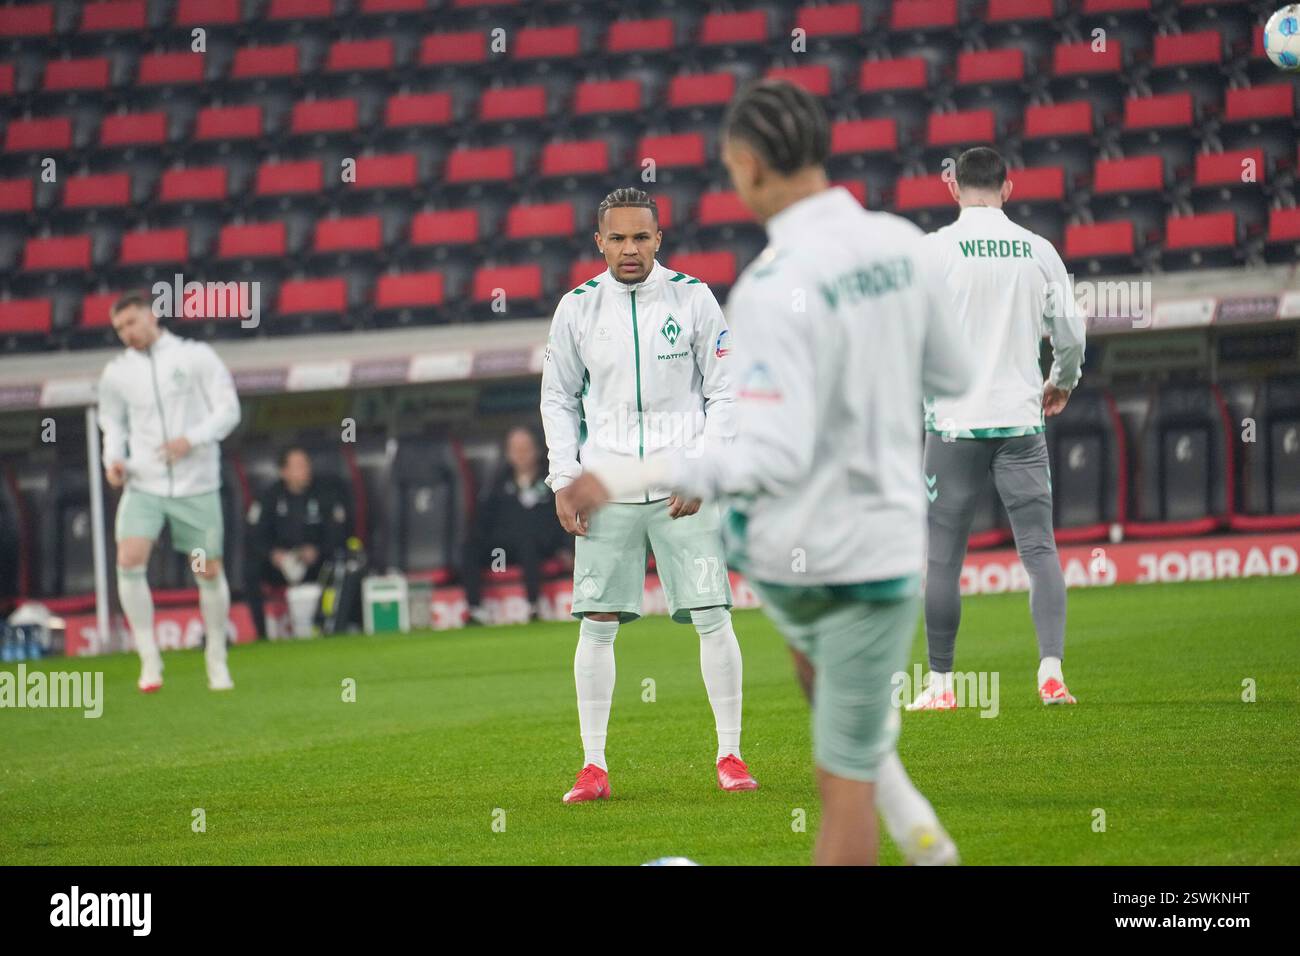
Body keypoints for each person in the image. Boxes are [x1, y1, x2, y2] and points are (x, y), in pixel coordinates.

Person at [565, 80, 974, 864]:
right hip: (889, 543)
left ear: (746, 164)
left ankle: (928, 849)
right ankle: (932, 849)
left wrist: (622, 474)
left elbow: (771, 451)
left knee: (843, 788)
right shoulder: (900, 245)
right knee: (850, 737)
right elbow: (953, 381)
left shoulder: (770, 286)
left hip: (819, 555)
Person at [540, 185, 759, 804]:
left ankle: (731, 753)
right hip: (606, 486)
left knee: (713, 615)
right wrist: (563, 479)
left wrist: (705, 468)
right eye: (618, 237)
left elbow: (725, 391)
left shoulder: (693, 298)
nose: (630, 248)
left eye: (641, 236)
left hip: (680, 488)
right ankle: (592, 766)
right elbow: (556, 398)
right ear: (599, 242)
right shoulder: (576, 308)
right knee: (597, 623)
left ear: (659, 238)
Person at [906, 146, 1087, 711]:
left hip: (953, 426)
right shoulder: (1038, 250)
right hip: (1020, 421)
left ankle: (941, 687)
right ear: (1008, 189)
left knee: (942, 560)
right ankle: (1051, 673)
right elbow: (1072, 335)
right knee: (1039, 548)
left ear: (953, 189)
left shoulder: (931, 251)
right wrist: (1061, 381)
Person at [97, 290, 241, 692]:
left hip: (195, 486)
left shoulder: (195, 357)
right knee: (129, 558)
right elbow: (113, 424)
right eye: (119, 328)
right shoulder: (116, 374)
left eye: (131, 323)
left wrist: (191, 439)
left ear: (150, 316)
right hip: (145, 483)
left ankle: (216, 658)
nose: (126, 333)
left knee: (206, 570)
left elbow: (228, 410)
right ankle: (149, 659)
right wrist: (114, 461)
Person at [462, 426, 569, 625]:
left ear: (537, 450)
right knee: (471, 547)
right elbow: (484, 519)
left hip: (541, 546)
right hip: (502, 553)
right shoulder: (499, 482)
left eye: (525, 449)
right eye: (515, 450)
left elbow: (563, 516)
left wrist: (565, 547)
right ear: (508, 454)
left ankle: (533, 605)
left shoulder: (551, 481)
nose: (520, 455)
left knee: (527, 541)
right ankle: (475, 609)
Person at [244, 446, 351, 640]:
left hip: (317, 564)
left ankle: (333, 627)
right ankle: (261, 634)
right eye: (299, 466)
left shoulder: (325, 492)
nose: (306, 470)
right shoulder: (270, 496)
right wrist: (273, 554)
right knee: (250, 568)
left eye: (306, 464)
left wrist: (317, 550)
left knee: (344, 565)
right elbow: (255, 536)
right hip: (281, 565)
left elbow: (339, 532)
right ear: (284, 472)